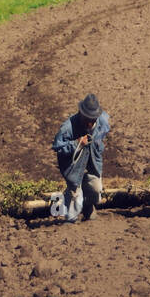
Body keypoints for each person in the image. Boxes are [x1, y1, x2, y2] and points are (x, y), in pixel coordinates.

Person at [52, 93, 110, 222]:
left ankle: (88, 208)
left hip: (93, 161)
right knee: (74, 194)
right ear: (80, 113)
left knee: (96, 189)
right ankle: (70, 219)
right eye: (87, 119)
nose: (90, 123)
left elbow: (105, 131)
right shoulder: (68, 127)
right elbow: (58, 147)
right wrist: (76, 143)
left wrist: (98, 144)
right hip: (73, 165)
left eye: (92, 119)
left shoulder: (103, 121)